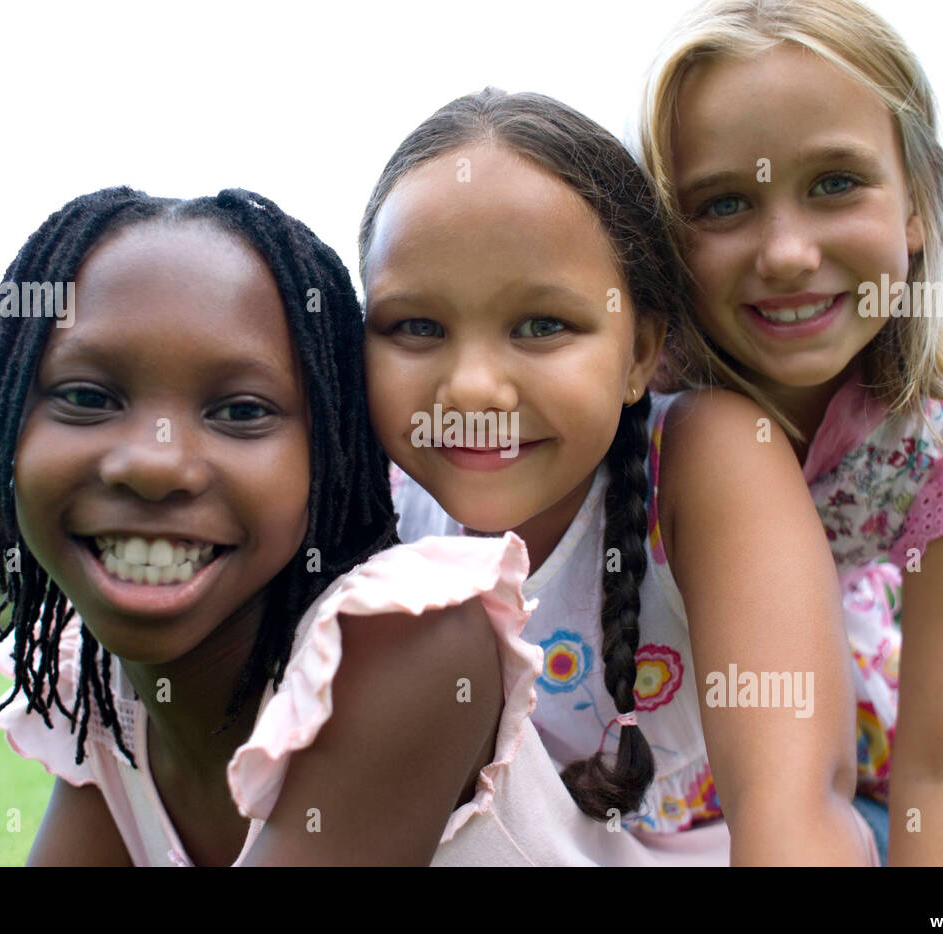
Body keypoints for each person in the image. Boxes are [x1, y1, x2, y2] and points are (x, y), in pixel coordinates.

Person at [0, 185, 691, 866]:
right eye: (87, 396)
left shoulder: (415, 638)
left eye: (241, 411)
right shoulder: (105, 690)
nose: (153, 464)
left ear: (333, 451)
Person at [640, 0, 943, 865]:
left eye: (834, 183)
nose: (785, 252)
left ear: (918, 205)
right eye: (722, 203)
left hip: (883, 734)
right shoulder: (626, 406)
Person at [359, 88, 877, 864]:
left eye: (541, 326)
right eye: (415, 327)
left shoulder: (708, 457)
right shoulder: (382, 508)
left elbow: (795, 812)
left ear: (640, 352)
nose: (469, 387)